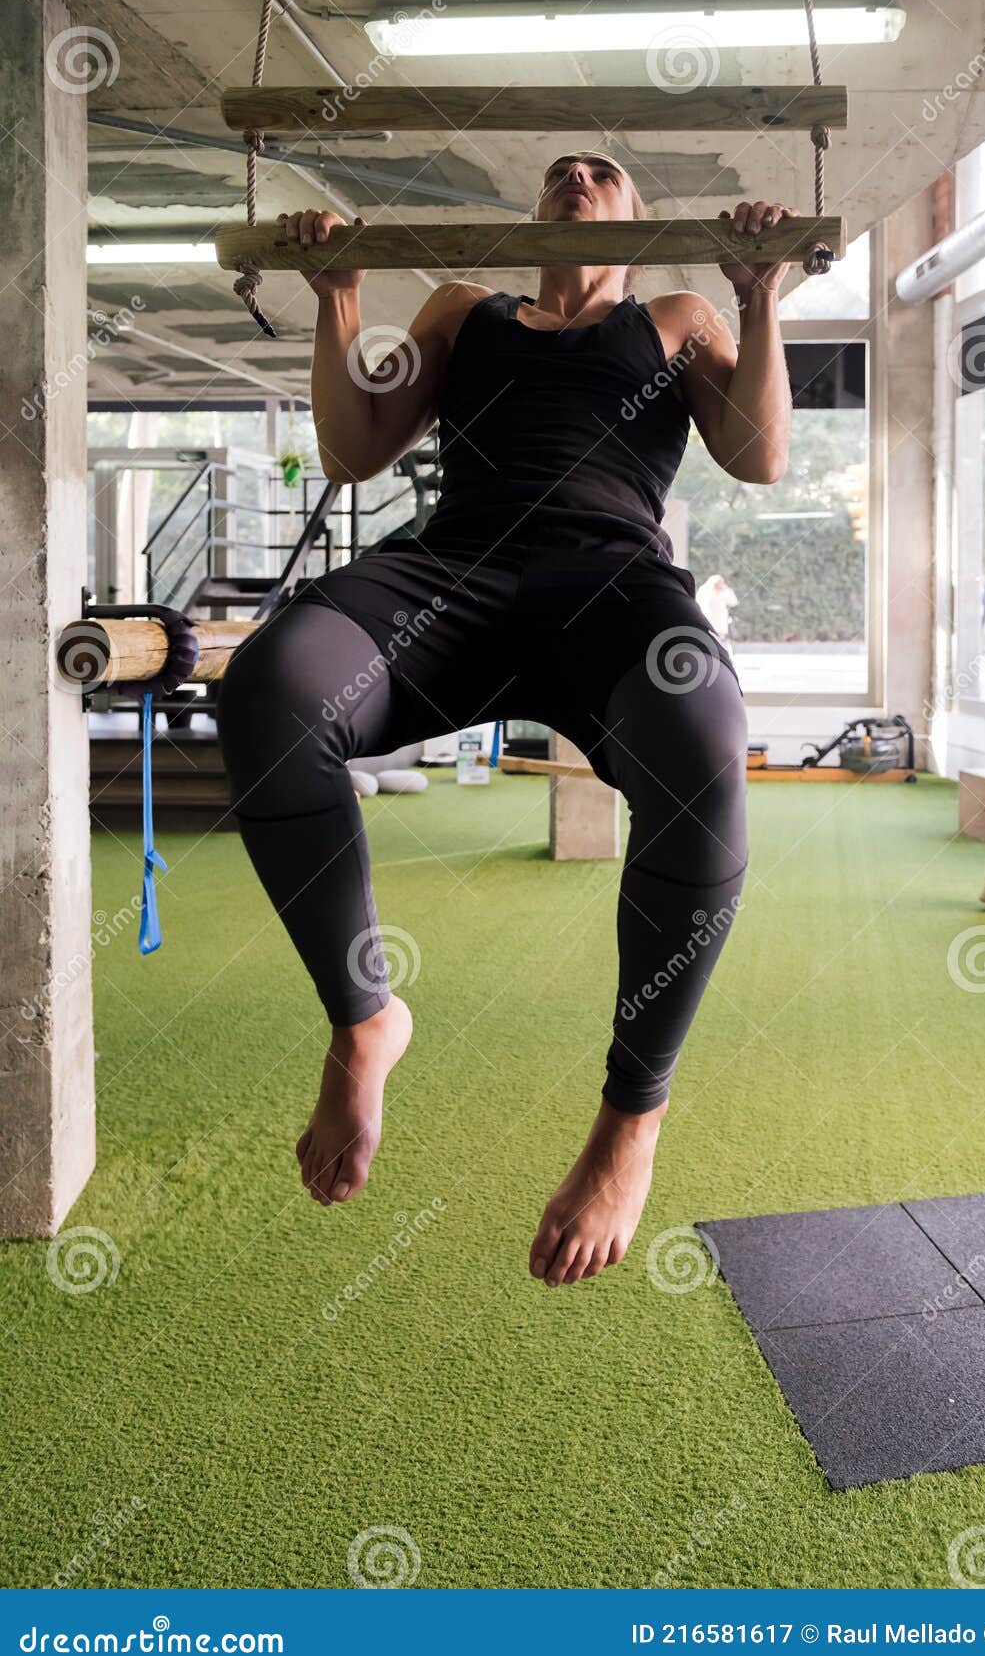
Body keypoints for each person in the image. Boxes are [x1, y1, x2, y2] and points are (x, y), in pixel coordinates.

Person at [217, 152, 794, 1286]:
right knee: (270, 685)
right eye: (560, 170)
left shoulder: (670, 319)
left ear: (632, 220)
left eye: (603, 170)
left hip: (609, 588)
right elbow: (353, 448)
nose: (575, 172)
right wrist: (337, 297)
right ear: (542, 211)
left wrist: (757, 295)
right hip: (452, 575)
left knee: (702, 744)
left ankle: (631, 1115)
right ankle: (363, 1017)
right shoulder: (458, 311)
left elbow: (758, 453)